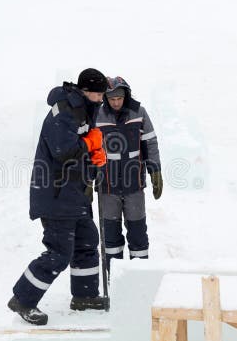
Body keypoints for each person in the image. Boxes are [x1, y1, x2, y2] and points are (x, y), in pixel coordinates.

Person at [8, 69, 110, 326]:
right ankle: (23, 299)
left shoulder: (85, 108)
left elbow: (81, 147)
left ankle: (85, 296)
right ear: (86, 90)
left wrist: (95, 159)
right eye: (98, 94)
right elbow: (63, 151)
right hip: (56, 195)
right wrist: (90, 144)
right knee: (59, 252)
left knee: (87, 242)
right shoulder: (64, 111)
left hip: (75, 194)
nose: (101, 100)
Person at [95, 77, 161, 271]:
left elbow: (150, 143)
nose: (116, 102)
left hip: (134, 187)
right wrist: (86, 180)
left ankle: (139, 281)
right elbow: (89, 151)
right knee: (111, 239)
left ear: (126, 95)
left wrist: (155, 171)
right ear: (106, 98)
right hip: (107, 187)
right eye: (111, 98)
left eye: (119, 98)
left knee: (138, 235)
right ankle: (112, 279)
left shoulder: (138, 113)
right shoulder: (97, 116)